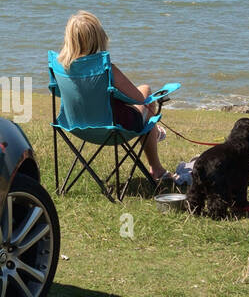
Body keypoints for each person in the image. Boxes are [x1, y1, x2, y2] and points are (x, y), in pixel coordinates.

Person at [58, 11, 170, 182]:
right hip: (112, 128)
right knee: (146, 90)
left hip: (75, 126)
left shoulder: (61, 68)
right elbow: (140, 99)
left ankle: (154, 134)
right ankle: (156, 167)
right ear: (99, 37)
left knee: (135, 107)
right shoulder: (106, 69)